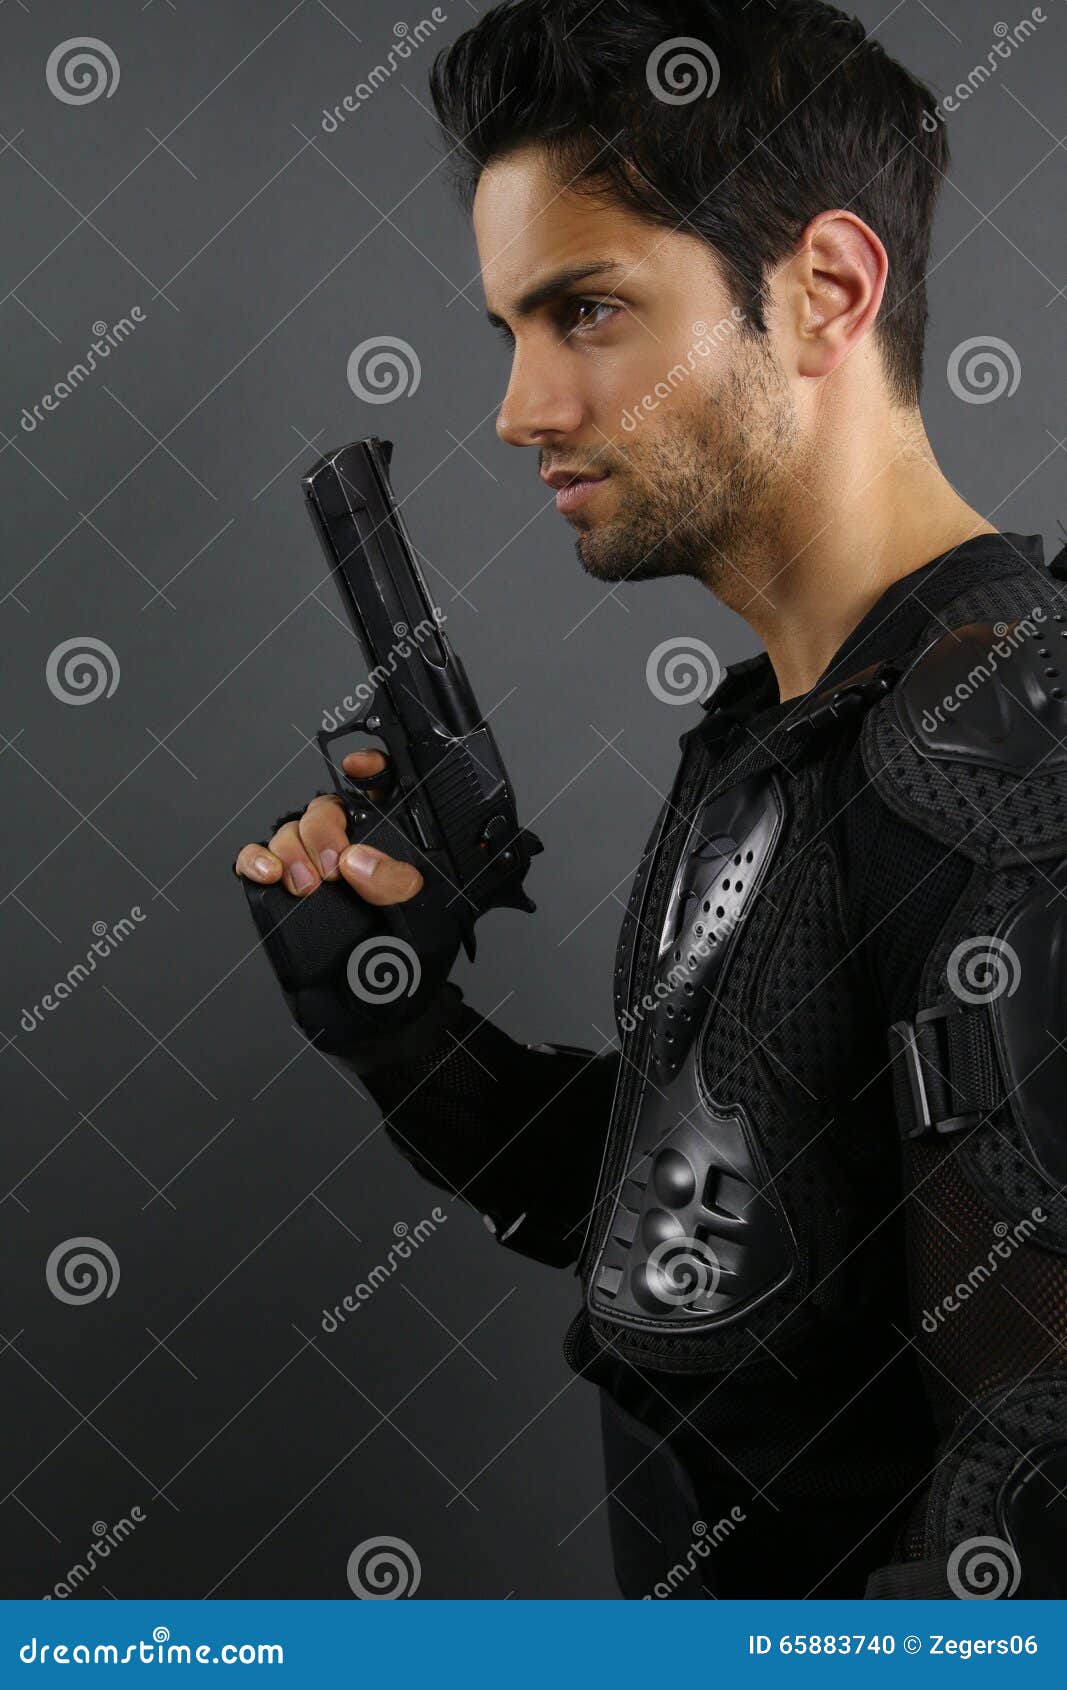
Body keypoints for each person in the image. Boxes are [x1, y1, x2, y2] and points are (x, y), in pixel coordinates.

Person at [235, 0, 1067, 1598]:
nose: (523, 406)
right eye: (511, 332)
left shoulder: (1017, 768)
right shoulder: (795, 728)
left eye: (590, 312)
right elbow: (725, 1231)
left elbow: (1031, 1514)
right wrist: (414, 1034)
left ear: (825, 291)